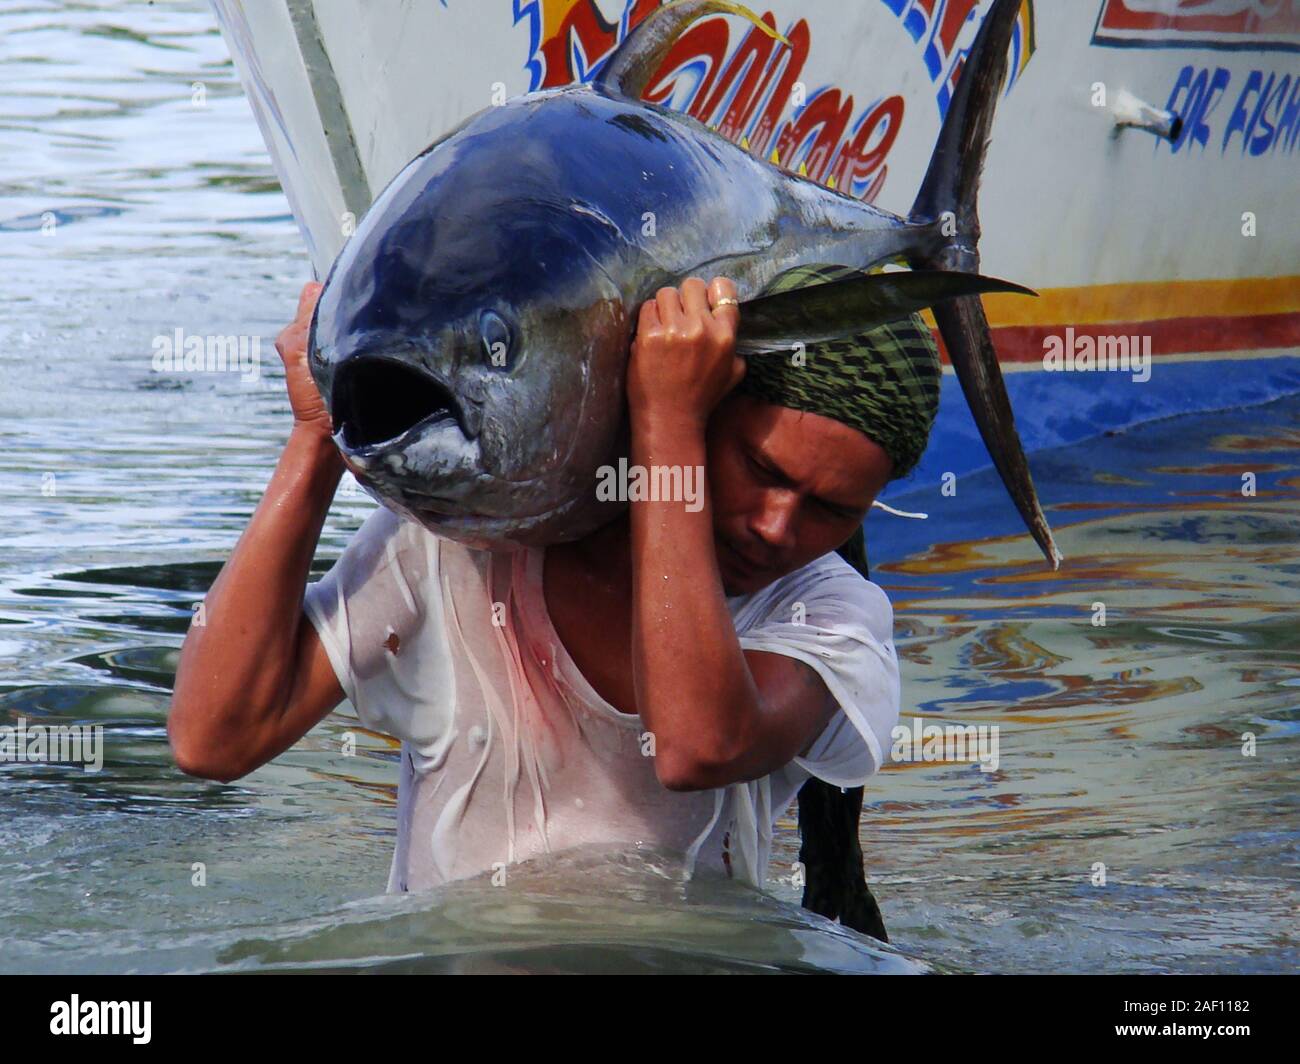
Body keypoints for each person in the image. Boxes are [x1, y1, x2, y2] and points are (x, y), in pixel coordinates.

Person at [168, 264, 941, 942]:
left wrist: (667, 423)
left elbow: (696, 744)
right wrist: (316, 437)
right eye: (760, 468)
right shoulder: (469, 543)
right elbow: (215, 739)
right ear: (714, 407)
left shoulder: (828, 612)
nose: (777, 528)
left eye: (831, 510)